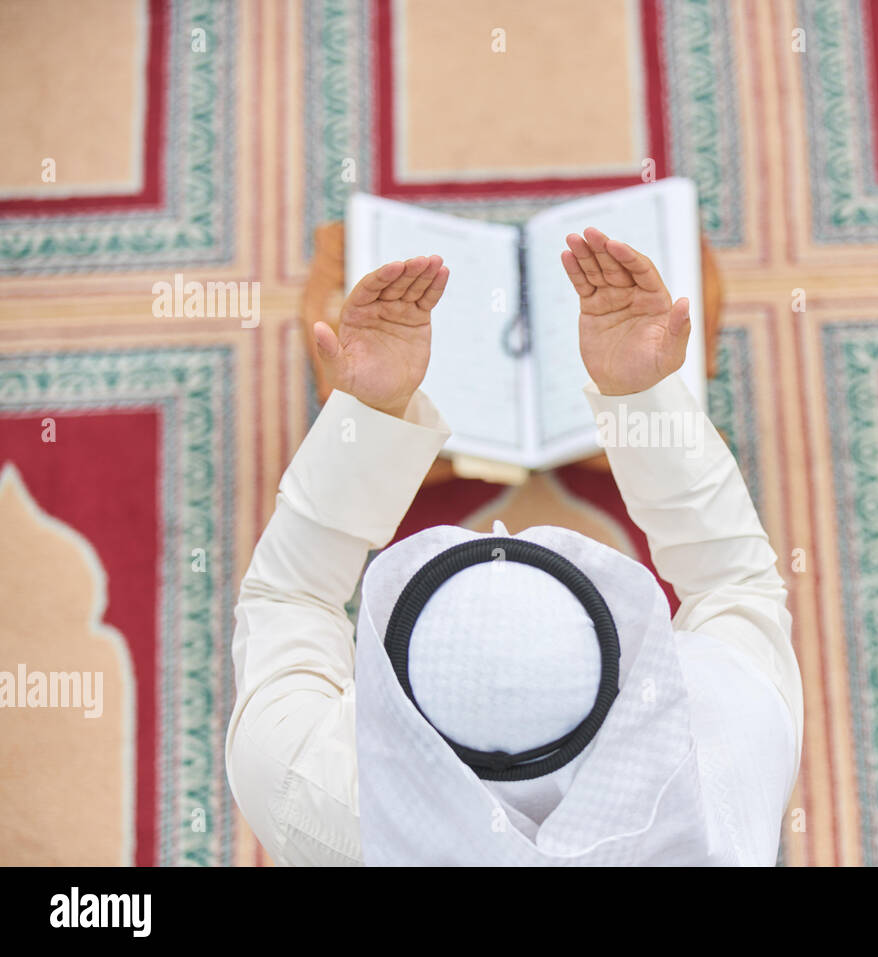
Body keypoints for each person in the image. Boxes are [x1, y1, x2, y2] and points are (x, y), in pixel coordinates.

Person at [225, 227, 803, 865]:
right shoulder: (723, 747)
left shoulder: (313, 787)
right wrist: (639, 392)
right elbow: (733, 582)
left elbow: (290, 593)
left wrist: (368, 410)